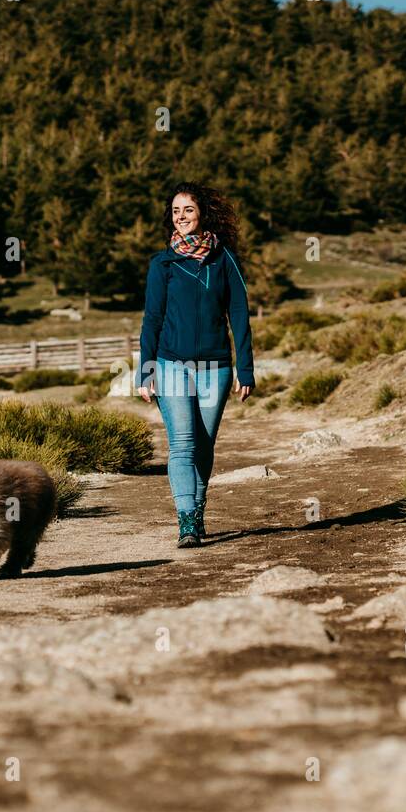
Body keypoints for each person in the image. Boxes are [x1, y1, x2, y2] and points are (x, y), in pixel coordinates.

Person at [137, 181, 255, 548]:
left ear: (203, 213)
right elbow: (151, 318)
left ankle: (198, 508)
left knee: (204, 446)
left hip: (215, 367)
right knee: (183, 444)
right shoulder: (162, 264)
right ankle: (186, 520)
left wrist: (245, 368)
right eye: (175, 211)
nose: (181, 217)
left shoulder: (224, 259)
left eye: (188, 210)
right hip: (171, 365)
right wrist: (146, 371)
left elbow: (239, 313)